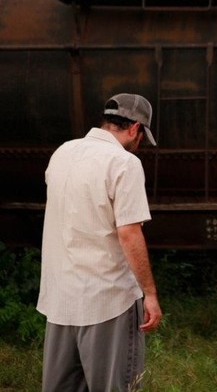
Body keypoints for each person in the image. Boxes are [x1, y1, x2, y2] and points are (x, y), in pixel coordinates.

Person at [37, 93, 163, 391]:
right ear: (135, 128)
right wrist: (150, 293)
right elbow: (129, 233)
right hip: (109, 301)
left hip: (61, 299)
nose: (140, 144)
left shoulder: (63, 153)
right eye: (141, 137)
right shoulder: (125, 163)